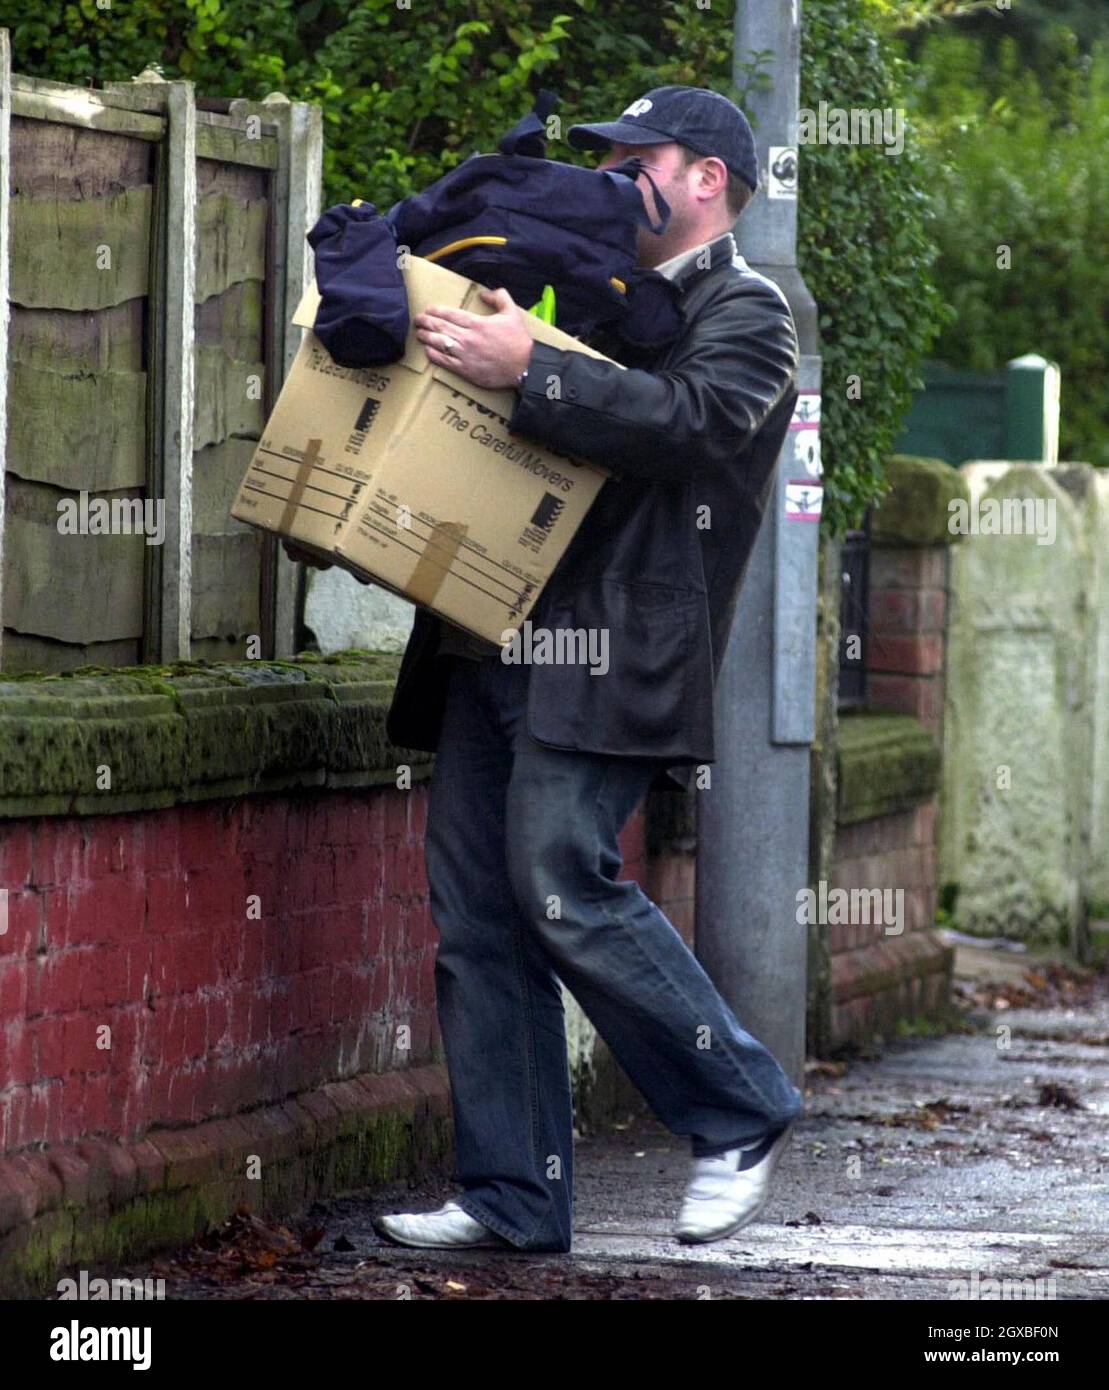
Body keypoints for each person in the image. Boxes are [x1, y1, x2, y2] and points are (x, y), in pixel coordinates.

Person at [301, 86, 805, 1253]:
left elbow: (685, 420)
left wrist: (528, 361)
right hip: (487, 634)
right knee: (478, 913)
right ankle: (513, 1195)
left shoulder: (750, 312)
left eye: (640, 156)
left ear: (706, 180)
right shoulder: (571, 283)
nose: (613, 174)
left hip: (611, 651)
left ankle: (736, 1106)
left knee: (558, 876)